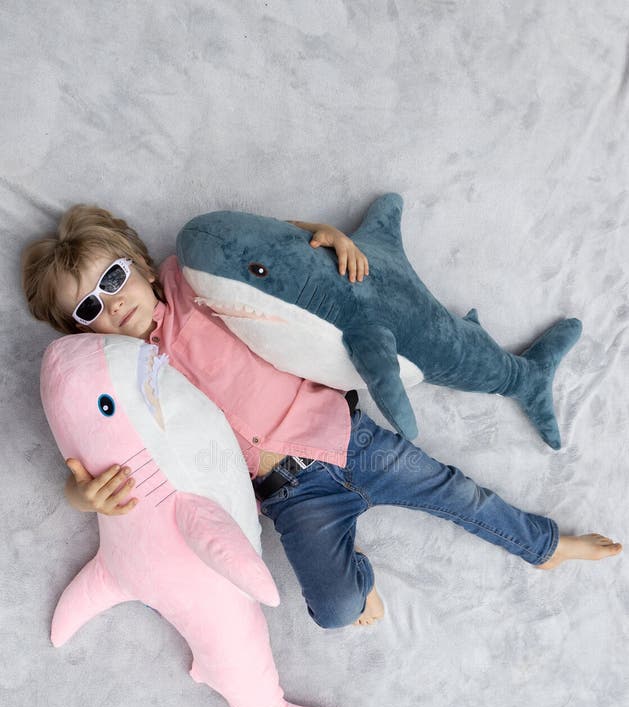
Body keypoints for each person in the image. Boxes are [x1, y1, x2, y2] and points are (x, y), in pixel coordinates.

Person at [22, 205, 623, 628]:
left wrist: (324, 233)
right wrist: (82, 497)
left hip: (345, 435)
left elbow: (273, 252)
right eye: (89, 307)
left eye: (113, 277)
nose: (113, 302)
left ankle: (545, 546)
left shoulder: (191, 276)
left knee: (459, 494)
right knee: (335, 612)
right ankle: (358, 580)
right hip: (287, 494)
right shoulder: (114, 376)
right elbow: (94, 443)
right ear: (80, 331)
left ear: (144, 266)